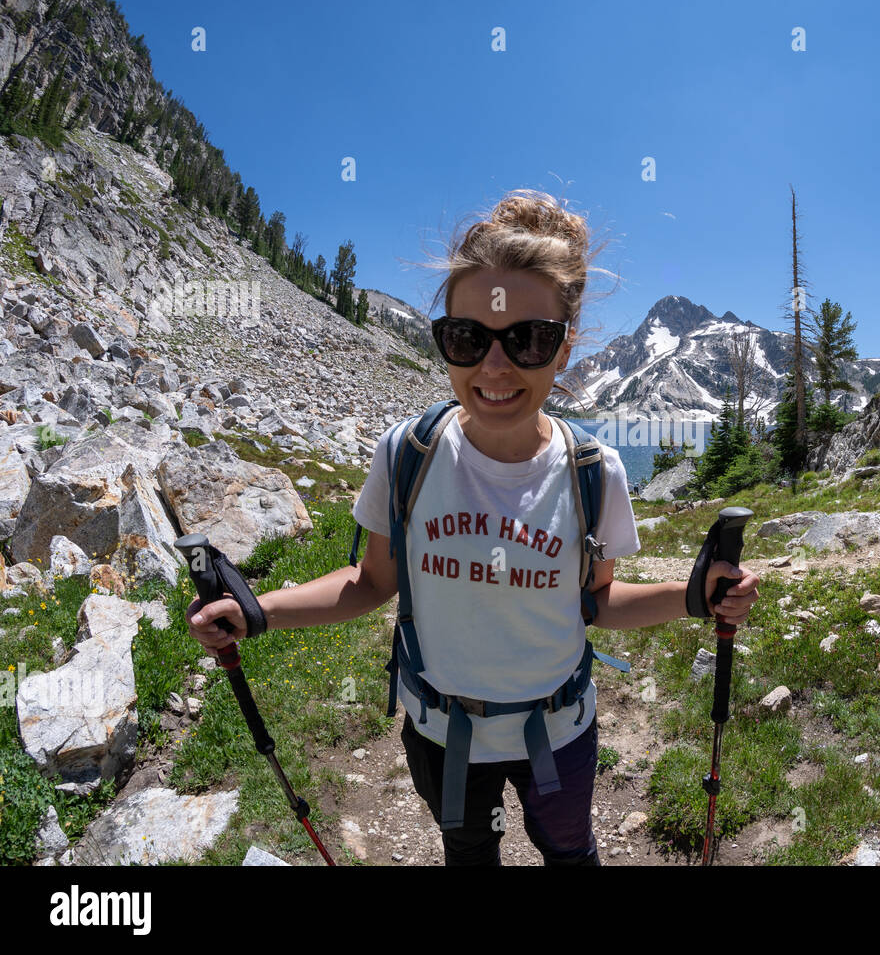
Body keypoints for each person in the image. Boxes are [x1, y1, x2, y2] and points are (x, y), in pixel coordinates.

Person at [186, 189, 760, 866]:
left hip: (560, 729)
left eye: (529, 340)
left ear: (565, 349)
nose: (494, 367)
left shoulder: (592, 469)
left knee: (570, 852)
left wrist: (697, 597)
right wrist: (255, 612)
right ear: (446, 340)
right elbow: (370, 583)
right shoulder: (408, 453)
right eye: (466, 339)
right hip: (442, 734)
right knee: (470, 854)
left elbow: (598, 602)